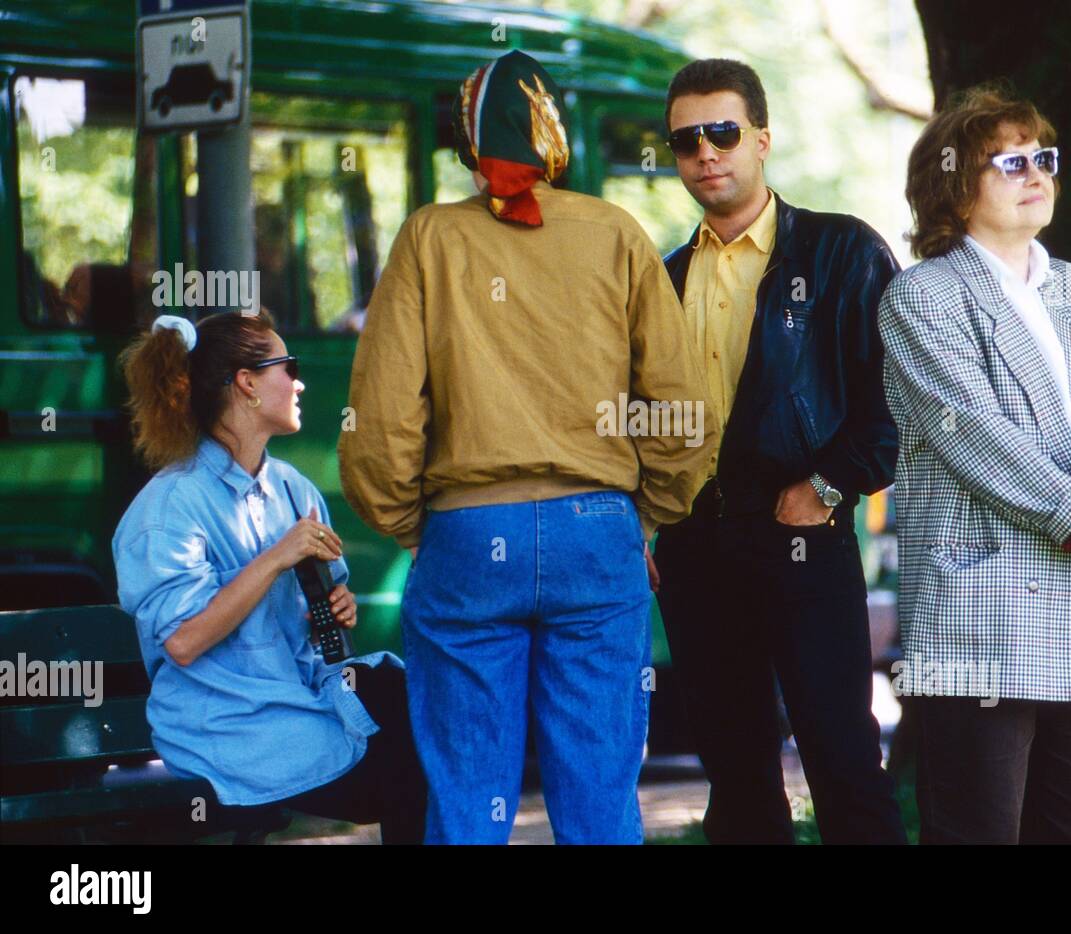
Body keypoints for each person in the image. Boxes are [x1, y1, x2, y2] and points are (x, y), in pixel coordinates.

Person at [339, 50, 717, 845]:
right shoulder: (616, 234)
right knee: (599, 793)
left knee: (468, 794)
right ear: (553, 137)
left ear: (469, 145)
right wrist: (646, 514)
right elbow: (679, 410)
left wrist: (422, 524)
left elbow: (380, 422)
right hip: (597, 530)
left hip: (468, 537)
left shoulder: (427, 239)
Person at [877, 85, 1071, 844]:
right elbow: (976, 436)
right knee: (978, 834)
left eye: (1043, 158)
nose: (1036, 174)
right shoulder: (920, 296)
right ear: (953, 188)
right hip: (978, 611)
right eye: (1010, 161)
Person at [654, 58, 906, 844]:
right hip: (695, 548)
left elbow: (897, 400)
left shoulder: (843, 254)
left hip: (802, 533)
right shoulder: (660, 278)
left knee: (843, 757)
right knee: (734, 774)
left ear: (762, 139)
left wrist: (828, 486)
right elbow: (635, 418)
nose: (706, 153)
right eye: (686, 140)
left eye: (722, 132)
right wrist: (642, 520)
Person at [111, 310, 425, 844]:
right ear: (247, 383)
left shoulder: (293, 490)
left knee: (428, 710)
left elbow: (320, 617)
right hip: (229, 727)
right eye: (288, 366)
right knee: (408, 769)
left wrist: (336, 604)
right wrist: (276, 558)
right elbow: (183, 642)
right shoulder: (170, 505)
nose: (299, 381)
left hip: (300, 700)